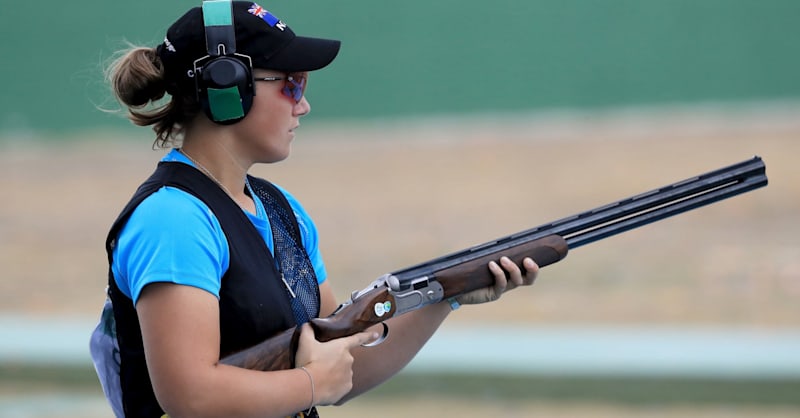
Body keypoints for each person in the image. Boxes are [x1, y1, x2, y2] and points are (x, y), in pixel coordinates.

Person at [89, 1, 540, 417]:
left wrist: (448, 294)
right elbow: (190, 394)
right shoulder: (173, 221)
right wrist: (308, 383)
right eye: (291, 84)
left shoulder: (281, 210)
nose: (303, 104)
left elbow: (341, 365)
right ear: (227, 86)